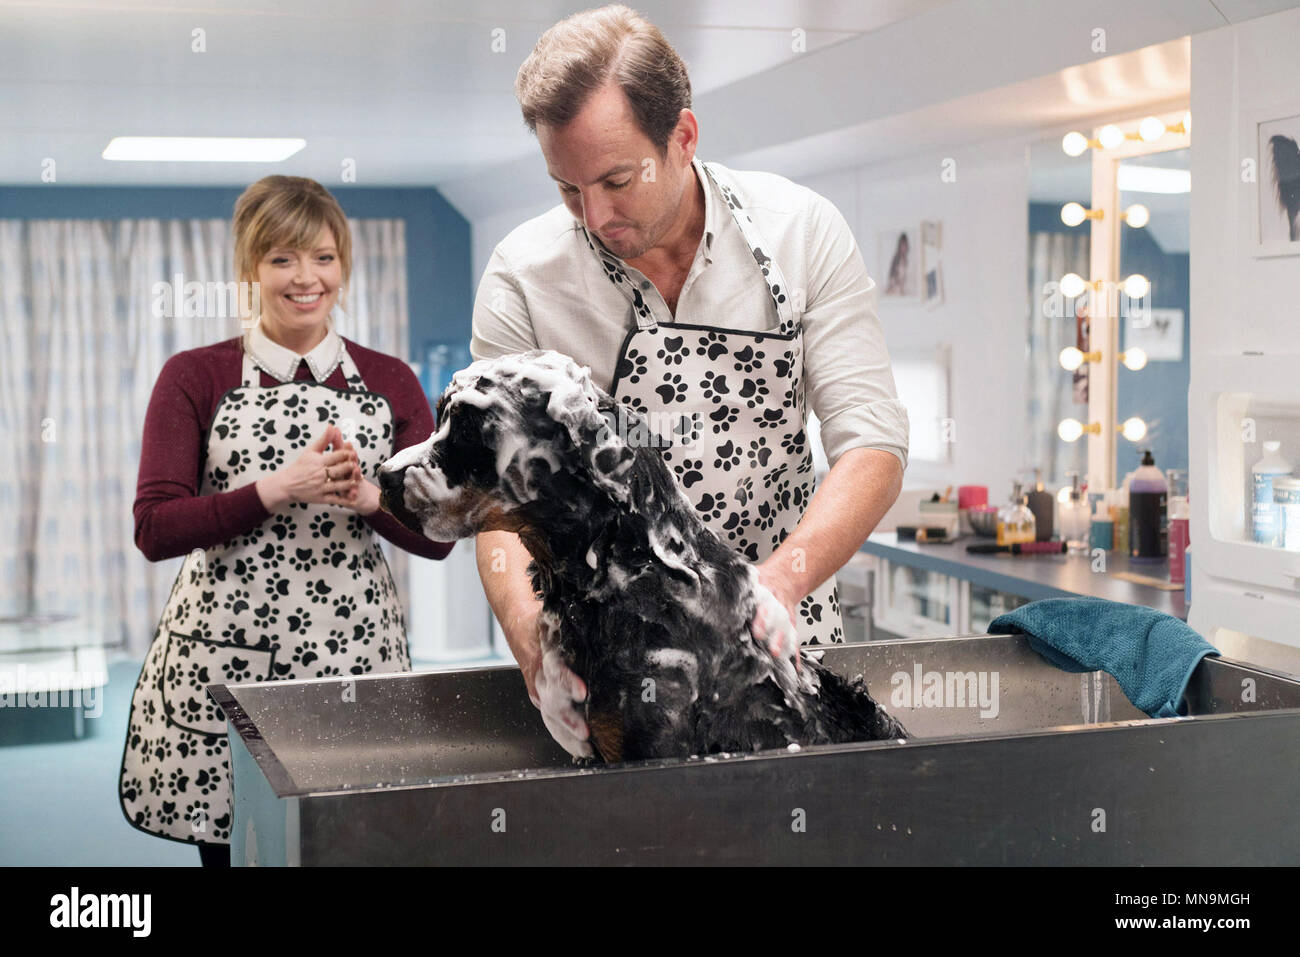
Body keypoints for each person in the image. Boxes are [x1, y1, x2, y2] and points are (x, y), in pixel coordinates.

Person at [471, 5, 909, 758]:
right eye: (567, 189)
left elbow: (872, 444)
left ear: (684, 136)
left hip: (782, 641)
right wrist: (534, 648)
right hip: (613, 668)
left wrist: (776, 585)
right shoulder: (522, 276)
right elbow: (499, 502)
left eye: (616, 180)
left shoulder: (801, 232)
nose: (595, 215)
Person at [119, 175, 453, 866]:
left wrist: (373, 500)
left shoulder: (391, 381)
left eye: (324, 258)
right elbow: (155, 527)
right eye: (282, 259)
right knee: (240, 849)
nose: (307, 278)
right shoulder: (194, 376)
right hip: (227, 665)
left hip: (355, 659)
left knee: (356, 846)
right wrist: (272, 489)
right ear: (250, 270)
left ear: (345, 266)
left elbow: (438, 535)